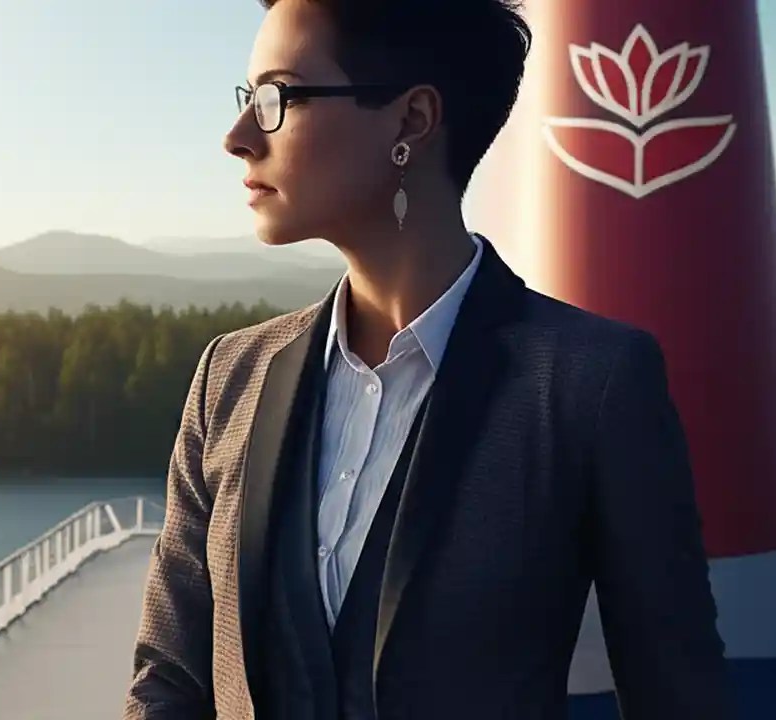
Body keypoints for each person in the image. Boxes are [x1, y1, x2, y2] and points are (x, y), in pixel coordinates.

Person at [122, 0, 731, 718]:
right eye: (247, 98)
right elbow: (168, 681)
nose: (238, 137)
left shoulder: (589, 385)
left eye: (278, 97)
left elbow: (678, 695)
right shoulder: (229, 376)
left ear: (411, 121)